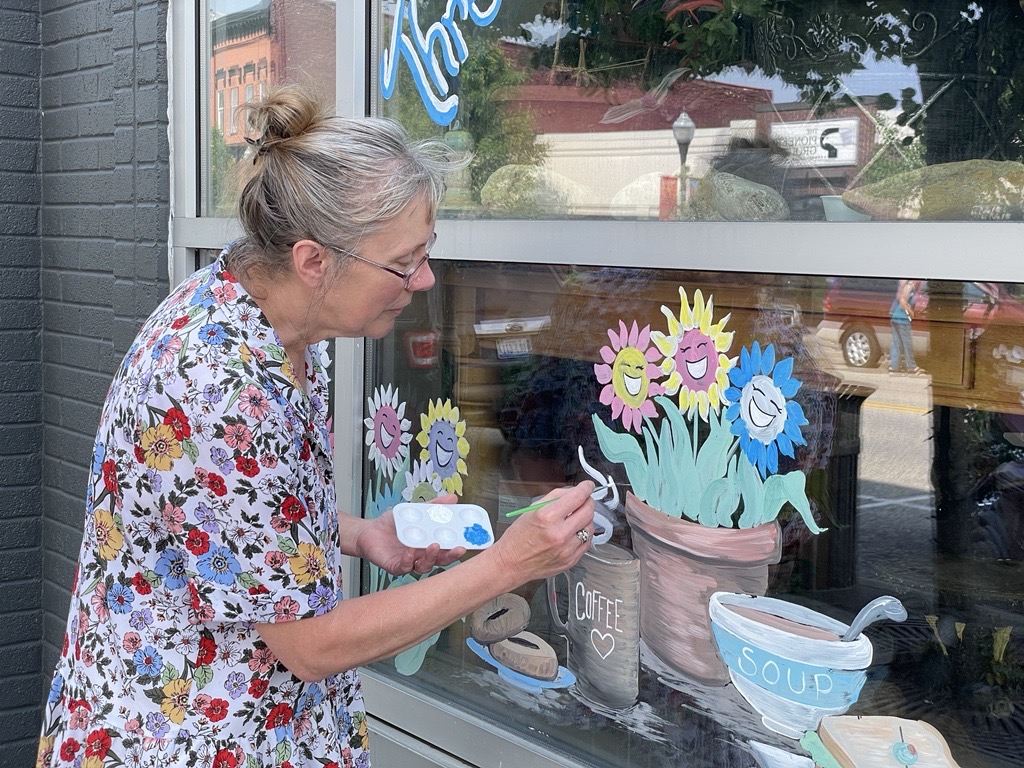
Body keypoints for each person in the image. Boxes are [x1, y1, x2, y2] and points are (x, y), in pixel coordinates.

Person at [36, 85, 595, 768]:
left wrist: (363, 536)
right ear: (312, 261)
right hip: (182, 736)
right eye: (404, 262)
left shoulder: (273, 321)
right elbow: (311, 645)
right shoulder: (222, 386)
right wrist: (506, 565)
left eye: (426, 252)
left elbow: (240, 523)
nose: (425, 281)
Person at [889, 278, 923, 374]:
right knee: (907, 344)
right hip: (903, 319)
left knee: (896, 343)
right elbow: (902, 301)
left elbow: (899, 297)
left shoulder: (908, 287)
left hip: (895, 318)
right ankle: (911, 366)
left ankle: (894, 366)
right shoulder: (909, 287)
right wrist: (911, 312)